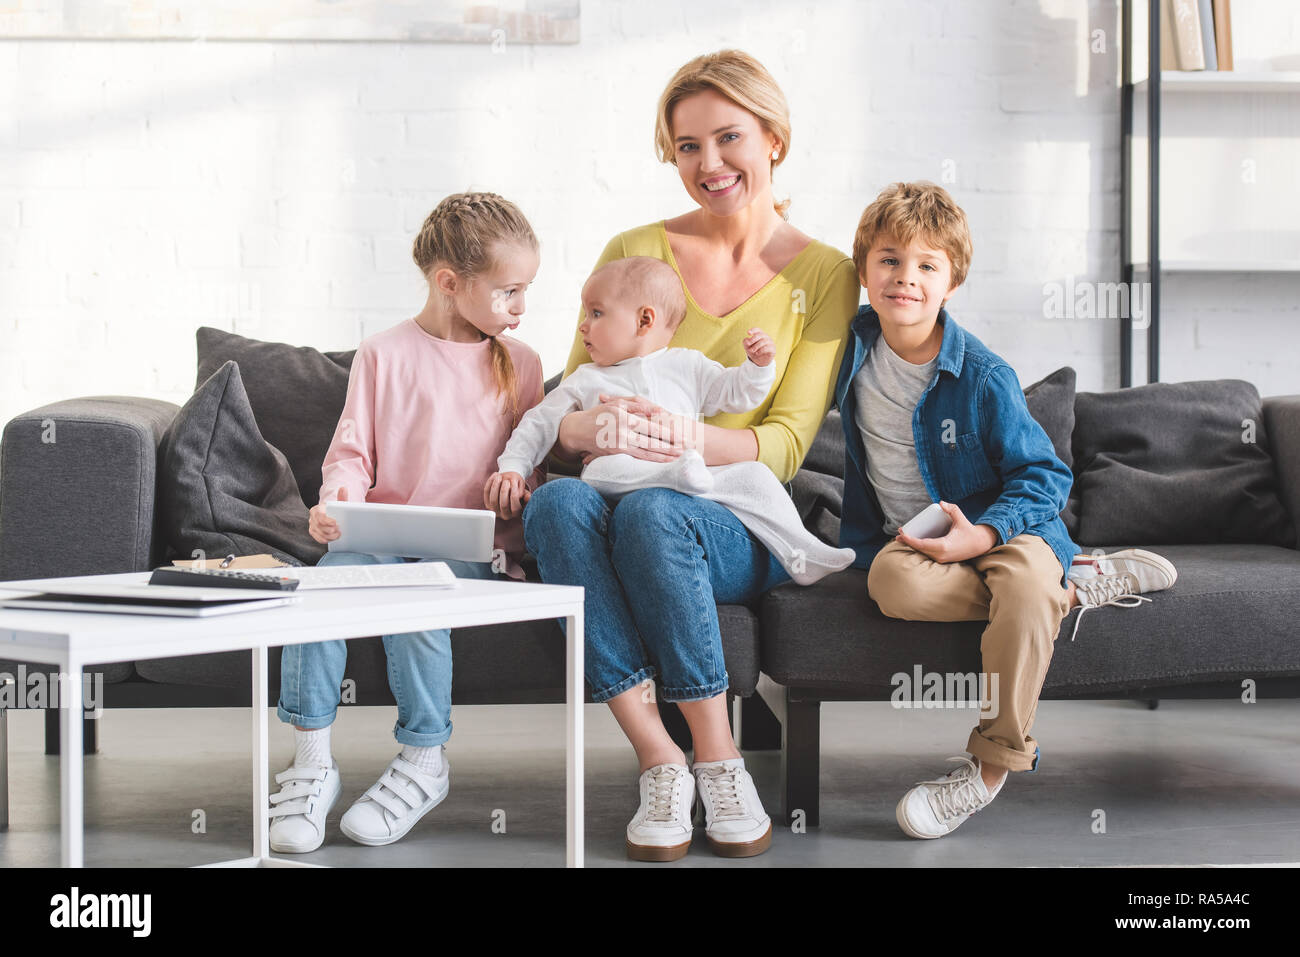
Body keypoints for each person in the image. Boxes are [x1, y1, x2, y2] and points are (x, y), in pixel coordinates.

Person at [521, 50, 860, 861]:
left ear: (774, 139)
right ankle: (659, 758)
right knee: (556, 504)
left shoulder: (826, 274)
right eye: (686, 147)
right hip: (619, 491)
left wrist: (674, 436)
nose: (708, 165)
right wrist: (582, 434)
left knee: (653, 511)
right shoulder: (634, 246)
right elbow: (574, 399)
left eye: (728, 138)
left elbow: (781, 443)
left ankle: (718, 755)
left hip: (730, 512)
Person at [834, 180, 1177, 839]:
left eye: (927, 265)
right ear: (864, 270)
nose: (906, 278)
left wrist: (985, 532)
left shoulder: (982, 375)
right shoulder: (848, 349)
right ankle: (1069, 587)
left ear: (952, 281)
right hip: (924, 542)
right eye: (890, 260)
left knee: (1023, 582)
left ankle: (988, 767)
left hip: (1010, 524)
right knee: (888, 580)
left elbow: (1045, 474)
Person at [267, 192, 545, 853]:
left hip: (468, 552)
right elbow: (353, 453)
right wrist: (334, 502)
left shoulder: (523, 364)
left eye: (526, 290)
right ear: (450, 283)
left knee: (420, 591)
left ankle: (424, 756)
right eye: (509, 290)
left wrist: (517, 489)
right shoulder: (383, 353)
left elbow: (532, 456)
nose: (522, 307)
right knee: (323, 587)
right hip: (381, 539)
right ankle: (311, 760)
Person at [485, 256, 854, 585]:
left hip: (688, 474)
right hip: (624, 478)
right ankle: (671, 476)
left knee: (755, 475)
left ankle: (802, 549)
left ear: (645, 320)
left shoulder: (687, 365)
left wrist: (758, 367)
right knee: (599, 471)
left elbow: (737, 393)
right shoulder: (586, 378)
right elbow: (538, 423)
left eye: (596, 314)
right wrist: (513, 468)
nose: (583, 326)